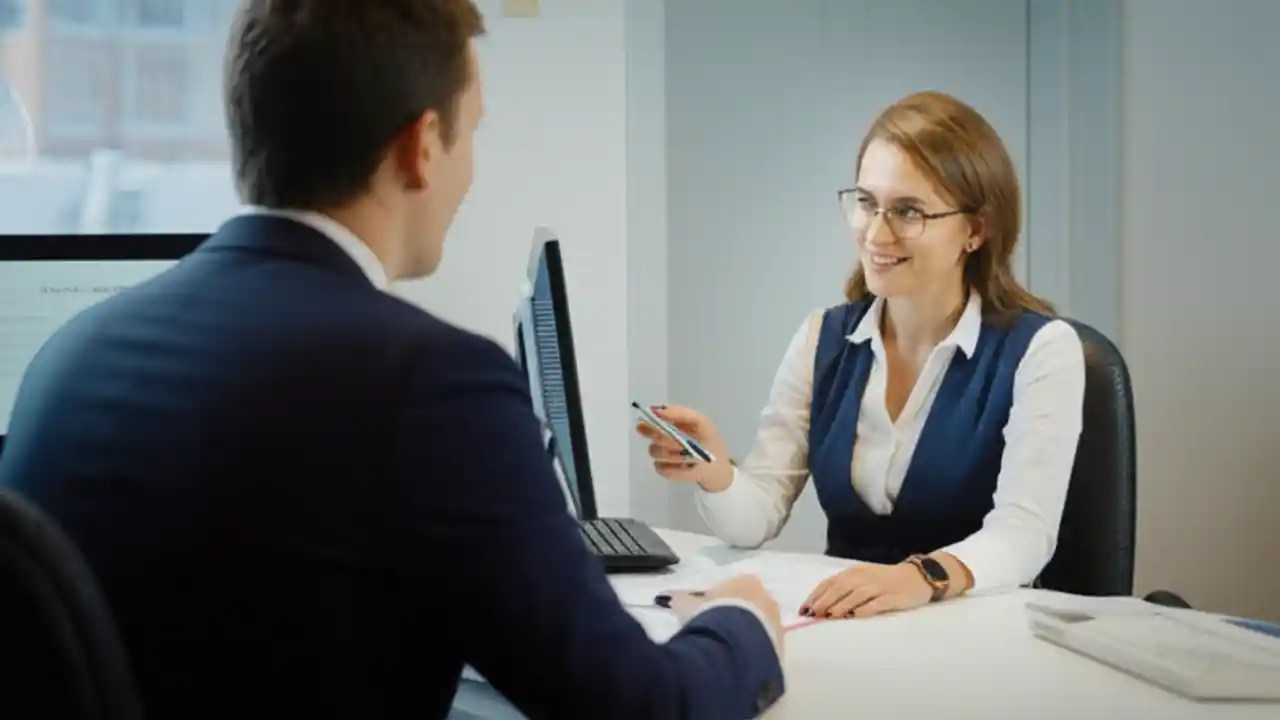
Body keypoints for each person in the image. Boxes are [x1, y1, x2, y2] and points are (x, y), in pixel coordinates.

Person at [0, 2, 784, 718]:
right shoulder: (433, 386)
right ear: (420, 147)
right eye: (471, 131)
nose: (471, 170)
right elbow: (641, 709)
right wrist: (740, 619)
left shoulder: (65, 359)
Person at [639, 91, 1085, 621]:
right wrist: (713, 471)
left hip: (981, 636)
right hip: (852, 631)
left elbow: (1024, 533)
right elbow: (755, 518)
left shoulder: (1041, 350)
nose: (875, 233)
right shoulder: (820, 338)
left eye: (908, 211)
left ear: (975, 230)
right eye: (867, 203)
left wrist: (921, 577)